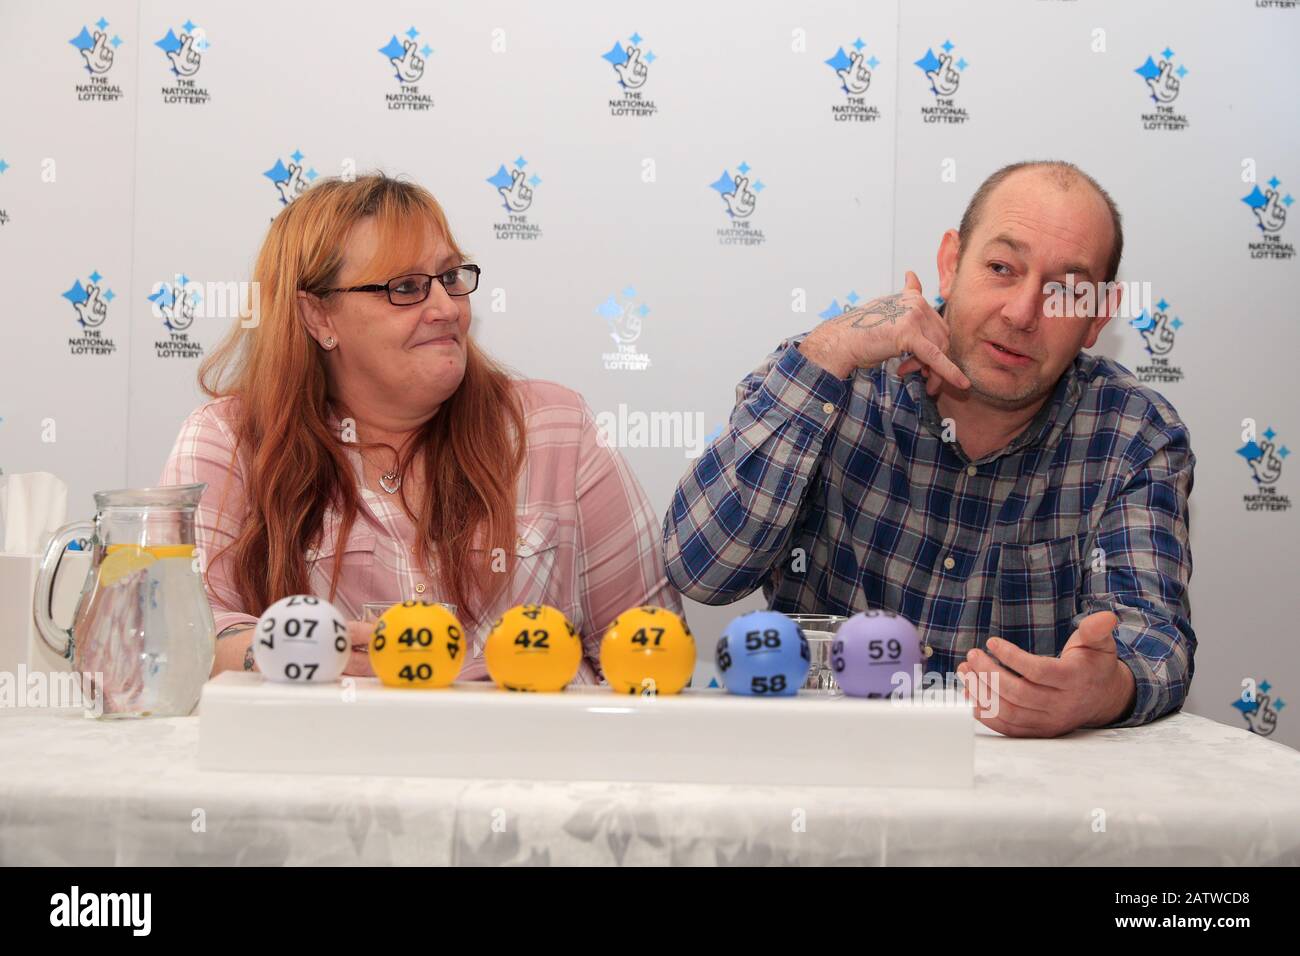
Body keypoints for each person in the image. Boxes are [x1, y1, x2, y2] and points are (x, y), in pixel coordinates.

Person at [663, 160, 1195, 736]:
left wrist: (1106, 689)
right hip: (817, 772)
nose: (1021, 313)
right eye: (1000, 268)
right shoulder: (829, 377)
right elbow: (702, 570)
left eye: (1065, 292)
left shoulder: (1132, 433)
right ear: (950, 263)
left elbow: (1153, 637)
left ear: (1096, 318)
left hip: (1011, 801)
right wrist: (825, 355)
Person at [161, 173, 679, 682]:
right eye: (406, 288)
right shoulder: (229, 442)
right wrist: (298, 649)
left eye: (451, 278)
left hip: (531, 761)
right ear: (318, 317)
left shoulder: (556, 430)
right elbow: (184, 630)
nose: (446, 308)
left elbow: (649, 645)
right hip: (331, 759)